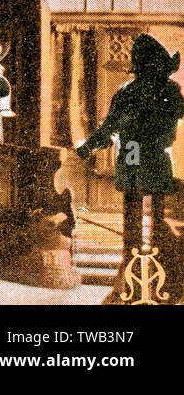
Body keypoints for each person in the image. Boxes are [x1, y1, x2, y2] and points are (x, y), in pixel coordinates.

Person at [77, 33, 184, 272]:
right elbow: (171, 124)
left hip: (133, 152)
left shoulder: (128, 91)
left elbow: (110, 126)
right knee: (153, 216)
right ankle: (152, 268)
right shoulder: (169, 90)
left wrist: (87, 147)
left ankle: (133, 266)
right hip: (152, 154)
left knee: (136, 216)